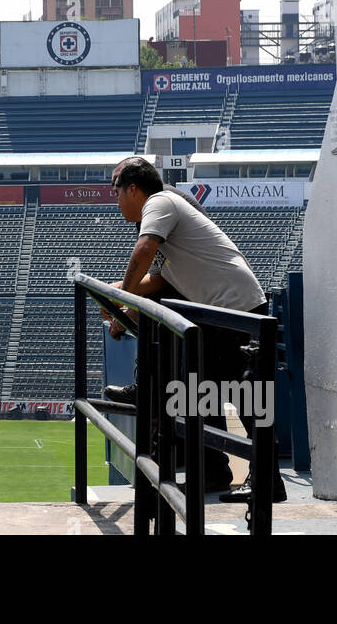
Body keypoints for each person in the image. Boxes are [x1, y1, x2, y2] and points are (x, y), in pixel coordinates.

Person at [101, 155, 287, 504]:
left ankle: (267, 481)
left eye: (115, 190)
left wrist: (118, 296)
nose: (115, 199)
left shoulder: (160, 202)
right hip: (219, 314)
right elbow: (158, 279)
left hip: (238, 312)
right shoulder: (166, 220)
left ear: (133, 188)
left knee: (248, 399)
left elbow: (143, 252)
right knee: (200, 393)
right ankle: (214, 473)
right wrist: (114, 296)